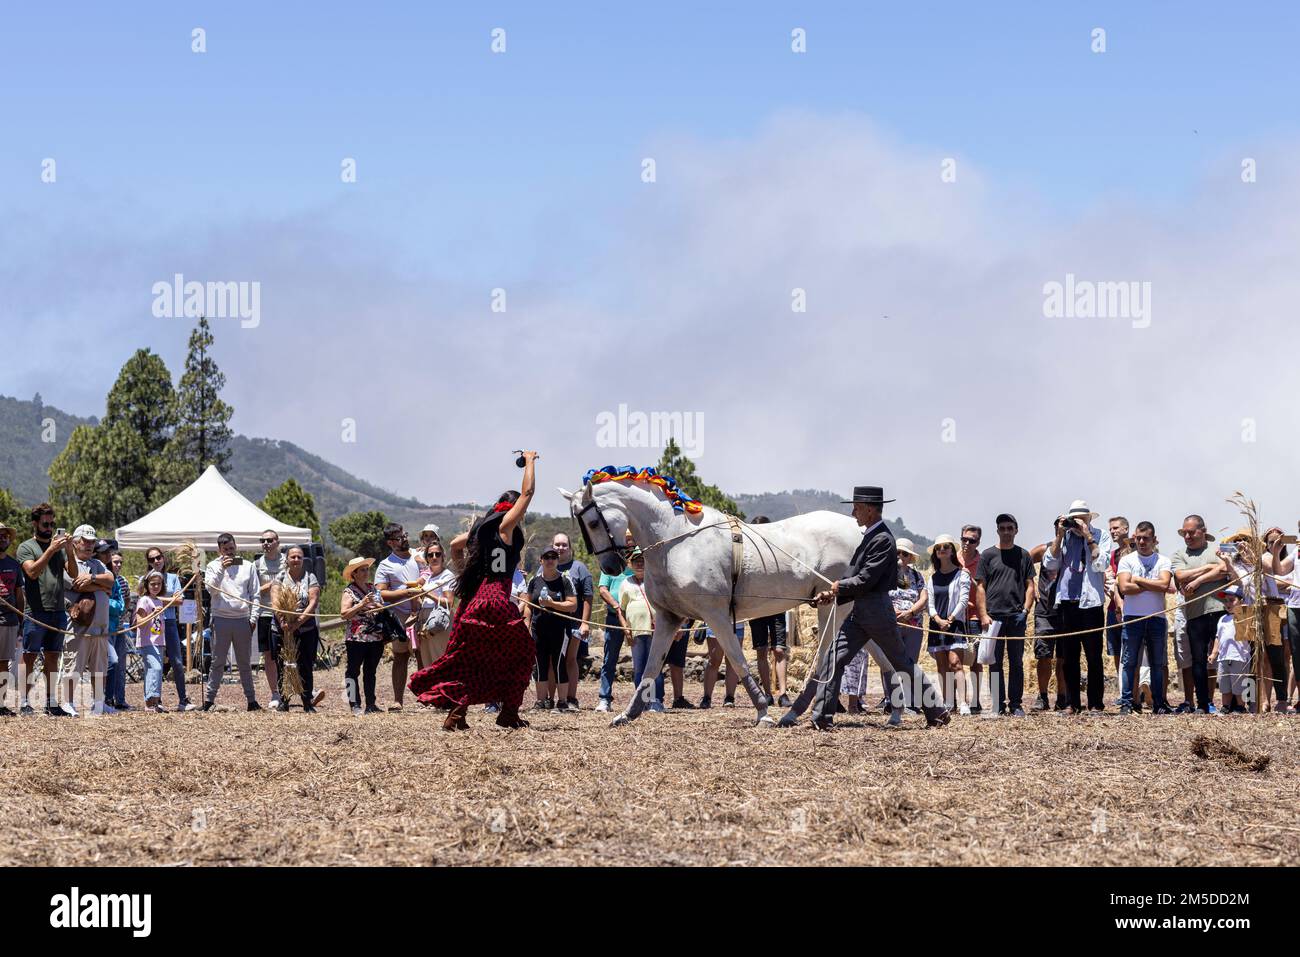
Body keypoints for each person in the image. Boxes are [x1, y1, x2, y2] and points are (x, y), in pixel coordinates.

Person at [408, 452, 540, 730]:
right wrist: (530, 461)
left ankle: (457, 715)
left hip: (474, 602)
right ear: (510, 509)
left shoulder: (482, 531)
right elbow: (528, 492)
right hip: (495, 601)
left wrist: (465, 570)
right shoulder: (505, 527)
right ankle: (508, 713)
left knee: (471, 657)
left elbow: (455, 545)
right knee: (524, 654)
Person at [806, 487, 949, 730]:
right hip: (861, 612)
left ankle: (936, 710)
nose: (853, 512)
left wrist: (839, 587)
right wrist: (831, 593)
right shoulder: (871, 536)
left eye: (857, 507)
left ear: (870, 510)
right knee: (833, 658)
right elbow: (854, 574)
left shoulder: (883, 539)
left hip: (877, 612)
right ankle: (822, 716)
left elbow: (866, 579)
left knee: (902, 662)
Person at [1042, 500, 1113, 713]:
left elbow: (1101, 564)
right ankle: (1072, 703)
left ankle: (1095, 703)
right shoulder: (1064, 537)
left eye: (1082, 518)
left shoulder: (1101, 536)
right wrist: (1059, 536)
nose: (1077, 522)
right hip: (1067, 602)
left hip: (1090, 603)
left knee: (1093, 655)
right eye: (1075, 519)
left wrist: (1088, 537)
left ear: (1089, 519)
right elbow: (1049, 564)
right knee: (1069, 656)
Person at [975, 515, 1036, 717]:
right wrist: (983, 615)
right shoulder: (987, 555)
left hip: (1016, 616)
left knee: (1016, 662)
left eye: (1010, 528)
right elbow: (981, 587)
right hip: (993, 618)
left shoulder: (1023, 555)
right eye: (1002, 528)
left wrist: (1025, 611)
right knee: (994, 662)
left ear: (1016, 530)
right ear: (998, 531)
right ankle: (998, 704)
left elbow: (1030, 586)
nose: (1006, 531)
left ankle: (1016, 703)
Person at [1171, 514, 1230, 714]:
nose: (1187, 536)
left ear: (1203, 531)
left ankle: (1221, 702)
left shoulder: (1216, 550)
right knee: (1198, 659)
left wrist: (1196, 581)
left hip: (1219, 610)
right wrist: (1208, 569)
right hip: (1195, 614)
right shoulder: (1179, 554)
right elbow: (1180, 575)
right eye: (1184, 532)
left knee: (1217, 658)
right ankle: (1202, 703)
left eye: (1191, 532)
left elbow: (1224, 569)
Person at [17, 504, 71, 716]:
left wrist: (69, 551)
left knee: (52, 656)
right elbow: (31, 572)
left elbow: (73, 573)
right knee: (29, 656)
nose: (49, 528)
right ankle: (23, 701)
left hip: (57, 611)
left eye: (52, 524)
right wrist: (51, 550)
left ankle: (51, 702)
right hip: (35, 611)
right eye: (45, 524)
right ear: (35, 523)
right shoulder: (26, 547)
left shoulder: (58, 550)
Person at [1116, 521, 1173, 715]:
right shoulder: (1127, 560)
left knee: (1158, 663)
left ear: (1154, 540)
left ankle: (1159, 703)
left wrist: (1138, 580)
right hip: (1132, 618)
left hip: (1156, 617)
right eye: (1138, 538)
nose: (1141, 542)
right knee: (1130, 662)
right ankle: (1126, 702)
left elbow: (1165, 585)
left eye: (1146, 538)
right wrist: (1153, 584)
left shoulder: (1163, 560)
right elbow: (1124, 588)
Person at [202, 533, 261, 711]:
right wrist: (221, 569)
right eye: (225, 549)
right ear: (219, 550)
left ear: (236, 546)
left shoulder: (248, 565)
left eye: (231, 548)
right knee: (217, 661)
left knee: (244, 662)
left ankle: (251, 700)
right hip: (221, 618)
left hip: (242, 618)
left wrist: (253, 618)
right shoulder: (213, 566)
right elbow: (211, 590)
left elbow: (255, 594)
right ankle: (209, 700)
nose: (229, 552)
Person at [63, 526, 116, 716]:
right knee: (73, 664)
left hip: (101, 625)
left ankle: (99, 703)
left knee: (100, 666)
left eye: (92, 542)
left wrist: (92, 579)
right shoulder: (69, 562)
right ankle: (67, 702)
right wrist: (101, 587)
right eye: (85, 541)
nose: (89, 545)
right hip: (79, 624)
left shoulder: (97, 564)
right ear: (75, 542)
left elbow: (111, 579)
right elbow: (75, 582)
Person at [373, 523, 424, 711]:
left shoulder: (419, 556)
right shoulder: (386, 565)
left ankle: (426, 698)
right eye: (398, 537)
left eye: (404, 535)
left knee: (422, 656)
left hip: (422, 613)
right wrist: (406, 593)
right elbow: (381, 594)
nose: (403, 539)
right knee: (401, 656)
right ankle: (398, 700)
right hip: (400, 617)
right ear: (390, 543)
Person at [744, 516, 792, 707]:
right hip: (757, 606)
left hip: (777, 604)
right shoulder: (748, 555)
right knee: (761, 650)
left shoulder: (778, 552)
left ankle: (783, 693)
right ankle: (767, 693)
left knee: (779, 650)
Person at [525, 547, 577, 710]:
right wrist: (526, 623)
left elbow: (573, 605)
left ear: (557, 560)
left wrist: (551, 604)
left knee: (559, 663)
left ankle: (562, 702)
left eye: (553, 557)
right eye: (546, 557)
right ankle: (541, 701)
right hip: (538, 629)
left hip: (560, 630)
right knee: (540, 664)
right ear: (541, 560)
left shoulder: (565, 580)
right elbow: (528, 604)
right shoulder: (534, 581)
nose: (550, 560)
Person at [143, 547, 194, 711]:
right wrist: (167, 599)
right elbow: (144, 600)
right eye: (151, 559)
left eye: (158, 557)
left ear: (163, 558)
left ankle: (183, 700)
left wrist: (157, 598)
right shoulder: (145, 579)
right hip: (152, 623)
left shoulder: (172, 578)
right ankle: (154, 700)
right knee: (155, 663)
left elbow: (179, 600)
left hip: (170, 622)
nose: (156, 561)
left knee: (177, 662)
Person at [272, 544, 322, 712]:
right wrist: (283, 622)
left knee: (305, 665)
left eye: (299, 557)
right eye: (292, 557)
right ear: (287, 559)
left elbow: (313, 602)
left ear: (303, 560)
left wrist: (298, 622)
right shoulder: (279, 577)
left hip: (305, 629)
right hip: (283, 628)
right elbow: (276, 602)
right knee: (283, 664)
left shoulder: (311, 577)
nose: (296, 560)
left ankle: (307, 701)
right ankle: (284, 700)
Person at [927, 534, 972, 715]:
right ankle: (947, 702)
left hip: (955, 624)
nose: (942, 550)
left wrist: (950, 619)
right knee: (942, 665)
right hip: (937, 625)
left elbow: (963, 600)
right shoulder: (932, 578)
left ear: (952, 550)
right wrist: (938, 620)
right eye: (938, 548)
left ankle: (962, 703)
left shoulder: (962, 574)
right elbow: (930, 604)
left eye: (946, 546)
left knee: (956, 663)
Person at [619, 549, 666, 711]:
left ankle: (656, 700)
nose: (639, 563)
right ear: (630, 564)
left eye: (642, 560)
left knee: (655, 667)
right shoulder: (625, 583)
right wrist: (625, 627)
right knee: (639, 667)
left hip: (655, 630)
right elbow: (621, 609)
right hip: (636, 631)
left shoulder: (655, 581)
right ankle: (642, 702)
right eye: (635, 561)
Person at [595, 530, 634, 713]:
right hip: (614, 617)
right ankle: (604, 699)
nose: (629, 545)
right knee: (609, 659)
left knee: (643, 659)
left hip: (637, 619)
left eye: (632, 541)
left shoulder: (642, 562)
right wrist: (617, 607)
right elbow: (603, 589)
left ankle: (645, 698)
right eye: (626, 541)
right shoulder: (611, 563)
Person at [339, 557, 385, 714]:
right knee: (352, 671)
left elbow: (383, 607)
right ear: (355, 573)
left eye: (367, 569)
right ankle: (354, 704)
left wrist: (378, 606)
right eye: (363, 570)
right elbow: (344, 614)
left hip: (375, 636)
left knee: (370, 670)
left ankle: (371, 704)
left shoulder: (373, 588)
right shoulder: (349, 591)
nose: (366, 572)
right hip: (356, 637)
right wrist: (361, 605)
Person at [553, 533, 593, 711]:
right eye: (557, 545)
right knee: (552, 660)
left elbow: (588, 597)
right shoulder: (546, 565)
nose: (560, 548)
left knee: (570, 659)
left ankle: (571, 698)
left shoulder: (579, 568)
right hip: (551, 624)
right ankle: (549, 699)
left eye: (564, 545)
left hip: (573, 623)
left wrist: (585, 622)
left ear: (570, 548)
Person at [1028, 543, 1068, 711]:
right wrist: (1030, 584)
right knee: (1043, 655)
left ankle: (1062, 697)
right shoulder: (1044, 549)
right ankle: (1042, 696)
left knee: (1063, 657)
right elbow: (1025, 562)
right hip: (1044, 610)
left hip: (1067, 610)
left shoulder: (1074, 550)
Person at [252, 530, 284, 711]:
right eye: (262, 540)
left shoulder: (287, 560)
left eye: (269, 540)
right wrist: (272, 585)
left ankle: (293, 689)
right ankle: (274, 693)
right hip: (265, 613)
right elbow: (254, 591)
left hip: (285, 612)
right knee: (269, 656)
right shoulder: (257, 565)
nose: (266, 543)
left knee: (288, 653)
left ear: (277, 542)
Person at [135, 571, 177, 712]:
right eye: (153, 584)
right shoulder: (144, 600)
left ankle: (154, 702)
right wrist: (153, 613)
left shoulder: (158, 600)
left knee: (156, 672)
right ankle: (150, 701)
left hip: (158, 641)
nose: (156, 586)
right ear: (147, 585)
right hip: (147, 642)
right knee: (155, 669)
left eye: (158, 584)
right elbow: (139, 623)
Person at [1211, 587, 1251, 713]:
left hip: (1239, 656)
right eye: (1226, 601)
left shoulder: (1244, 617)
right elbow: (1218, 637)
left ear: (1241, 601)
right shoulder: (1222, 619)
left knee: (1239, 684)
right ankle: (1225, 706)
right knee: (1224, 685)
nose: (1228, 604)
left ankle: (1240, 706)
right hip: (1223, 657)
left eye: (1232, 600)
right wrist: (1214, 653)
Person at [0, 522, 26, 716]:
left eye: (5, 535)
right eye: (0, 535)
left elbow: (18, 594)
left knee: (3, 663)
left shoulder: (13, 564)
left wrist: (20, 618)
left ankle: (0, 704)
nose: (3, 538)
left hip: (9, 620)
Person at [958, 525, 985, 713]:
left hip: (974, 616)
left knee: (975, 661)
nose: (967, 543)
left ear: (978, 542)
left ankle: (976, 700)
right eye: (964, 539)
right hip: (955, 616)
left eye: (972, 540)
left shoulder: (983, 562)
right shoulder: (953, 557)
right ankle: (960, 700)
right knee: (955, 660)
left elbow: (985, 589)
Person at [417, 543, 456, 668]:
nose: (434, 557)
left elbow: (449, 602)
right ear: (427, 558)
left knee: (439, 660)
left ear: (443, 557)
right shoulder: (429, 577)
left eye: (437, 554)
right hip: (426, 622)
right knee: (428, 662)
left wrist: (428, 594)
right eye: (430, 555)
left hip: (439, 622)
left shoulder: (447, 575)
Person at [1105, 516, 1132, 688]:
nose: (1113, 532)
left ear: (1126, 529)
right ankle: (1123, 689)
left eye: (1116, 528)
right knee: (1116, 650)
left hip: (1133, 606)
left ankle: (1135, 688)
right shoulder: (1112, 555)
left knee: (1131, 649)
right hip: (1113, 607)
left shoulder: (1136, 551)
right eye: (1111, 529)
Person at [105, 549, 133, 710]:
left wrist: (122, 614)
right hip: (108, 628)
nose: (118, 565)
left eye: (120, 562)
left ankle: (120, 699)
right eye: (115, 562)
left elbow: (127, 598)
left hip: (120, 628)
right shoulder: (106, 578)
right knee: (110, 663)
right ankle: (107, 698)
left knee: (121, 665)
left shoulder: (122, 581)